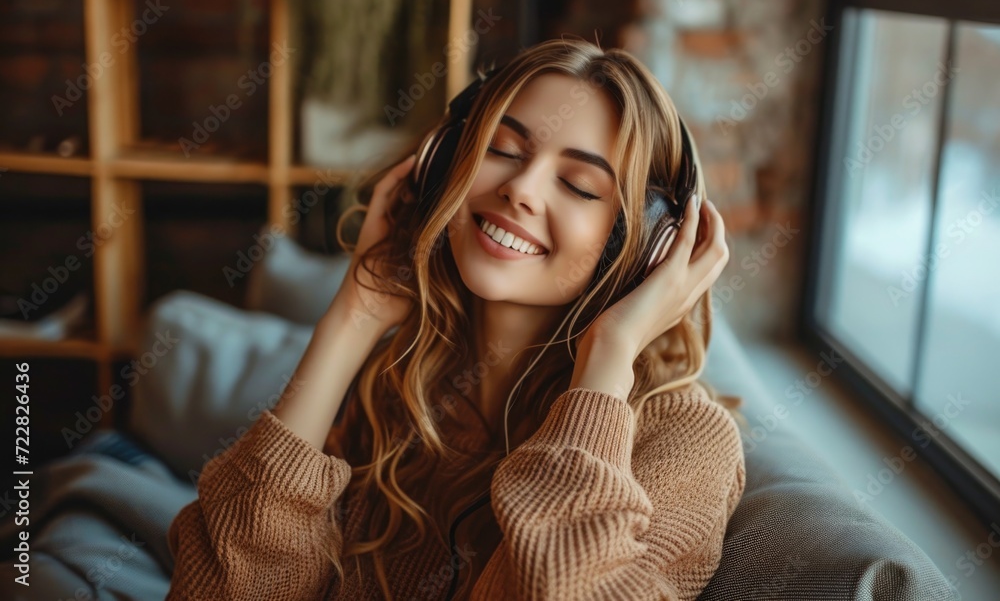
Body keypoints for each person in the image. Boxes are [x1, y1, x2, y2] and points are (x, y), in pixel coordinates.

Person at [165, 37, 747, 600]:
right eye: (502, 149)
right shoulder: (397, 382)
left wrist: (608, 357)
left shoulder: (688, 443)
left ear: (651, 246)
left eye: (578, 184)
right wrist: (351, 318)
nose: (520, 188)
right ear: (444, 162)